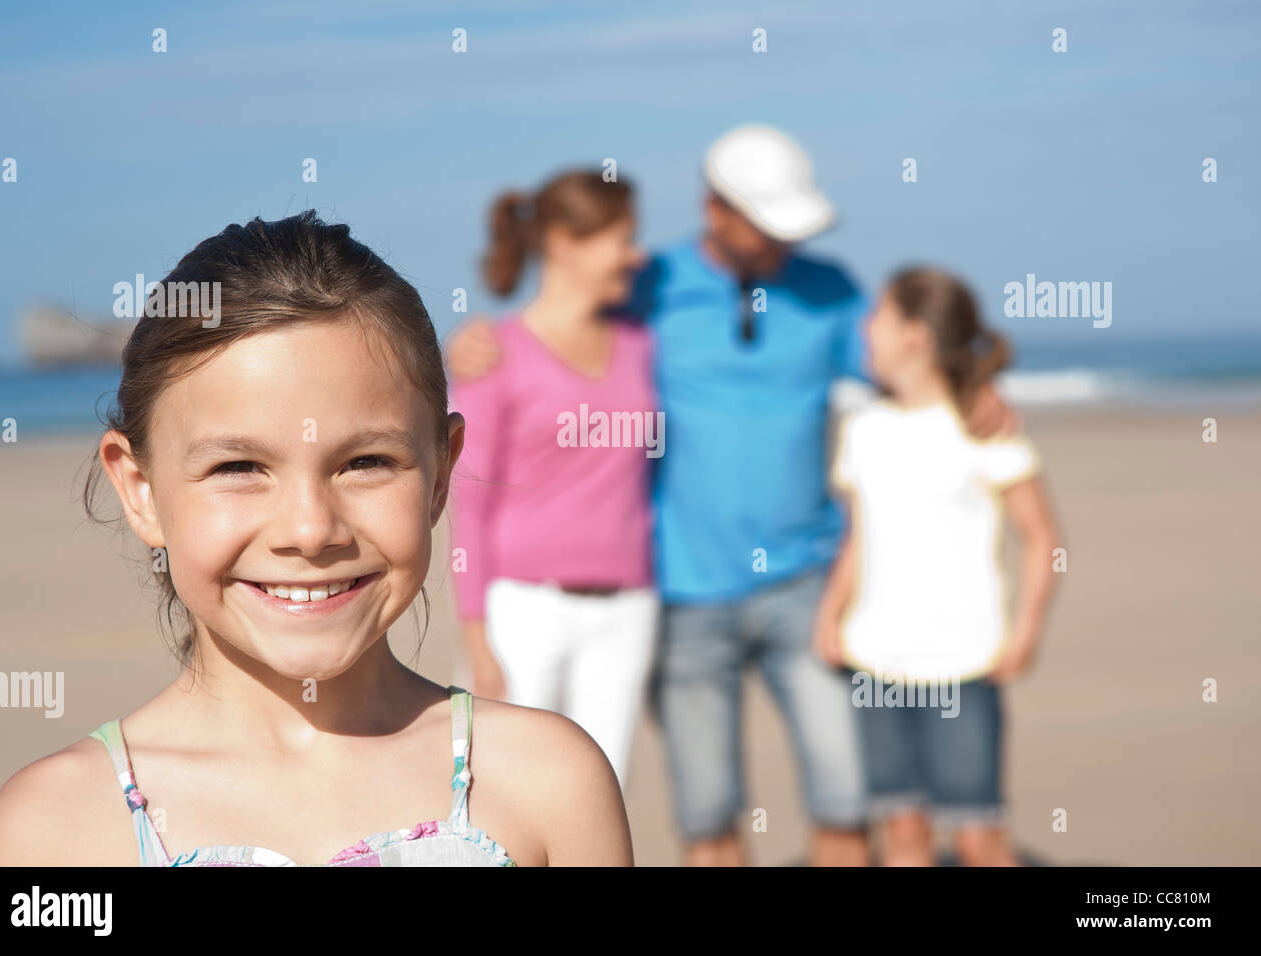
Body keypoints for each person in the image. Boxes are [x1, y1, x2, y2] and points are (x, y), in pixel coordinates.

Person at [0, 211, 630, 867]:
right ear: (141, 489)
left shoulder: (546, 785)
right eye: (238, 468)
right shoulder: (55, 831)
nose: (311, 530)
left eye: (366, 462)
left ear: (439, 475)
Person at [446, 125, 1018, 867]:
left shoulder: (832, 289)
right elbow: (555, 330)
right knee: (707, 812)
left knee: (846, 798)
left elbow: (909, 371)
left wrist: (981, 392)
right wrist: (468, 348)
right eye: (766, 223)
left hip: (806, 585)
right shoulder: (647, 288)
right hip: (685, 593)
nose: (783, 242)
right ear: (716, 209)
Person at [814, 267, 1060, 866]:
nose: (865, 330)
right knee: (901, 828)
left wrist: (1025, 630)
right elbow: (859, 540)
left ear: (914, 335)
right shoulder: (863, 428)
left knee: (979, 835)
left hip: (964, 659)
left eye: (878, 317)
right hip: (875, 656)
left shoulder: (984, 426)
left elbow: (1042, 538)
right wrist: (830, 616)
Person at [448, 169, 658, 793]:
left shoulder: (642, 342)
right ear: (565, 242)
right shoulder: (493, 353)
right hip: (521, 612)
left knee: (601, 795)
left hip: (628, 609)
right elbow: (470, 507)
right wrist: (478, 642)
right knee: (502, 796)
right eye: (621, 239)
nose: (635, 255)